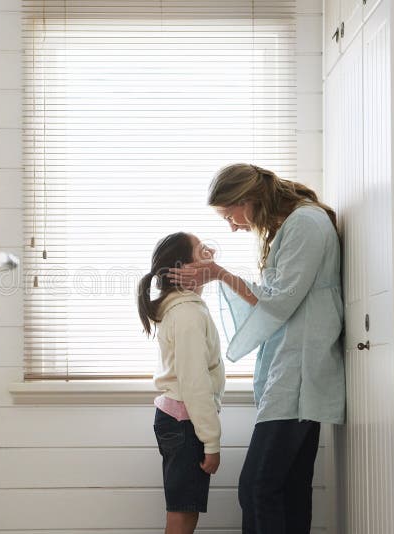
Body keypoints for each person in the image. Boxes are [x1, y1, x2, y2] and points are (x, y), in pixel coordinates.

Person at [167, 163, 345, 534]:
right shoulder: (293, 227)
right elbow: (275, 302)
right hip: (293, 372)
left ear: (246, 200)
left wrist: (219, 274)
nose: (232, 226)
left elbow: (277, 303)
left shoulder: (304, 224)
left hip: (299, 375)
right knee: (288, 489)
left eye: (230, 215)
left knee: (257, 489)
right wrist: (220, 275)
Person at [137, 232, 226, 534]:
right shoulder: (187, 313)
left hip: (179, 420)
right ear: (183, 269)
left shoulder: (185, 308)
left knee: (186, 510)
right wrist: (211, 441)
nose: (211, 251)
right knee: (182, 514)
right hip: (184, 424)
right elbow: (194, 383)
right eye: (202, 250)